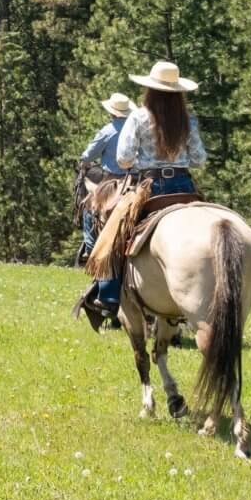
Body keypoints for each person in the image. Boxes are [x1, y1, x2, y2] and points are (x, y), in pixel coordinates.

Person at [82, 61, 206, 320]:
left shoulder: (138, 116)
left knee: (114, 231)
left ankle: (109, 295)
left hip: (150, 187)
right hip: (185, 186)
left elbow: (124, 158)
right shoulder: (188, 120)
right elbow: (199, 159)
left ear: (149, 90)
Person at [77, 91, 133, 262]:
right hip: (138, 178)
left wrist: (84, 164)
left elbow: (87, 156)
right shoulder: (136, 129)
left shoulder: (107, 131)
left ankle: (90, 247)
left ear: (111, 112)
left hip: (113, 179)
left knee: (89, 207)